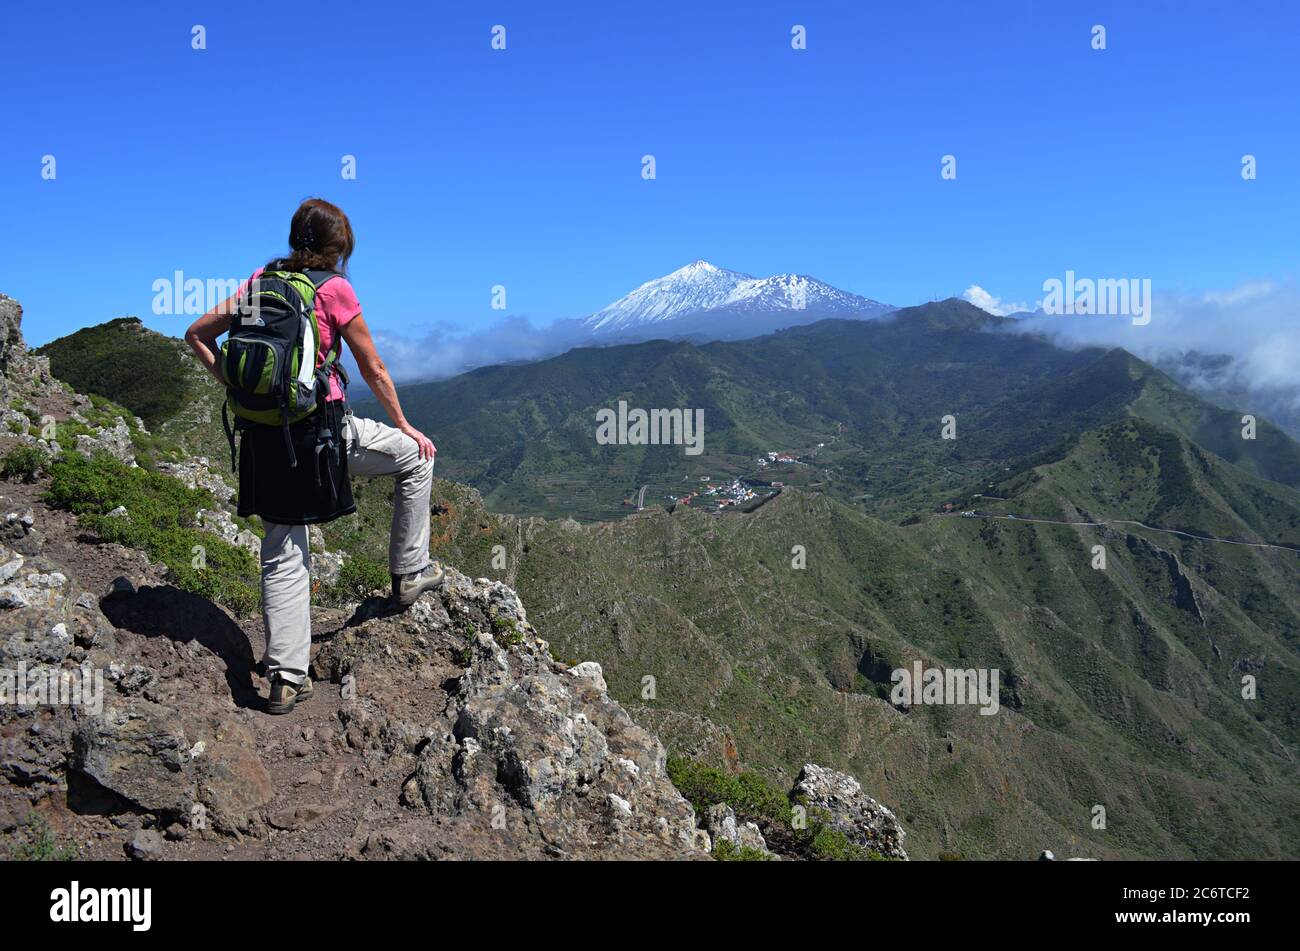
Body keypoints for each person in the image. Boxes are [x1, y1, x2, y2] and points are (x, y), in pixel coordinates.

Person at [185, 198, 444, 714]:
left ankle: (285, 677)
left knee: (283, 544)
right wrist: (405, 425)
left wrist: (238, 390)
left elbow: (197, 334)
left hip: (263, 437)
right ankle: (409, 572)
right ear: (334, 250)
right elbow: (374, 368)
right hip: (321, 434)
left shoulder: (261, 282)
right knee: (416, 458)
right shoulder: (334, 289)